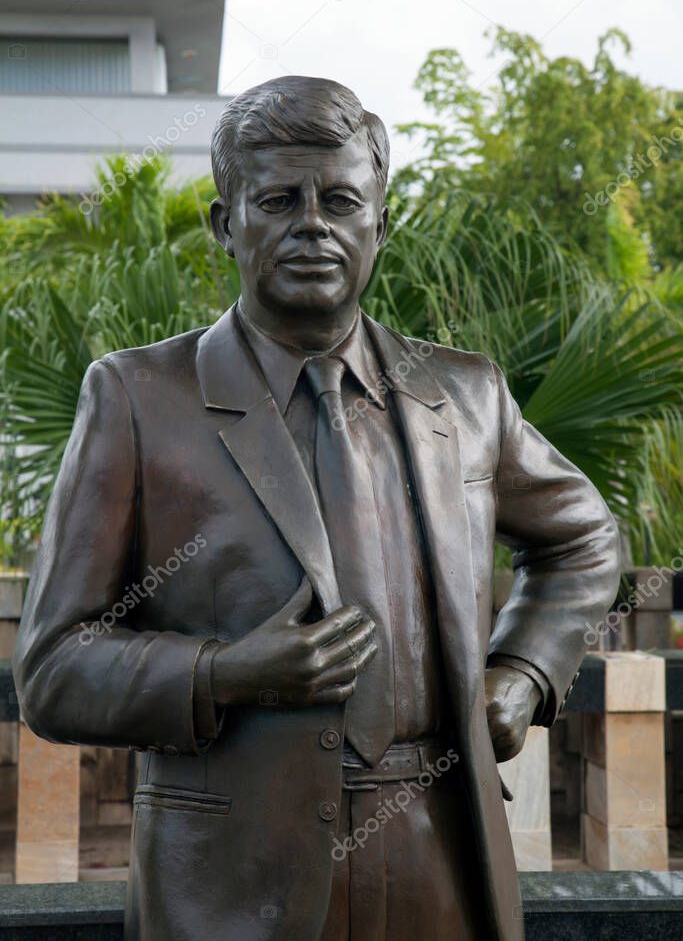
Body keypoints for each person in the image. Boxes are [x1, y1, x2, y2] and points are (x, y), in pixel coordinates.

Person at [12, 76, 620, 941]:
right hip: (234, 880)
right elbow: (53, 669)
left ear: (379, 220)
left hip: (442, 857)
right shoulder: (139, 397)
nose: (312, 224)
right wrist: (223, 672)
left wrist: (520, 674)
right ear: (226, 224)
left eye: (340, 199)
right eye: (277, 200)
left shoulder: (465, 392)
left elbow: (584, 541)